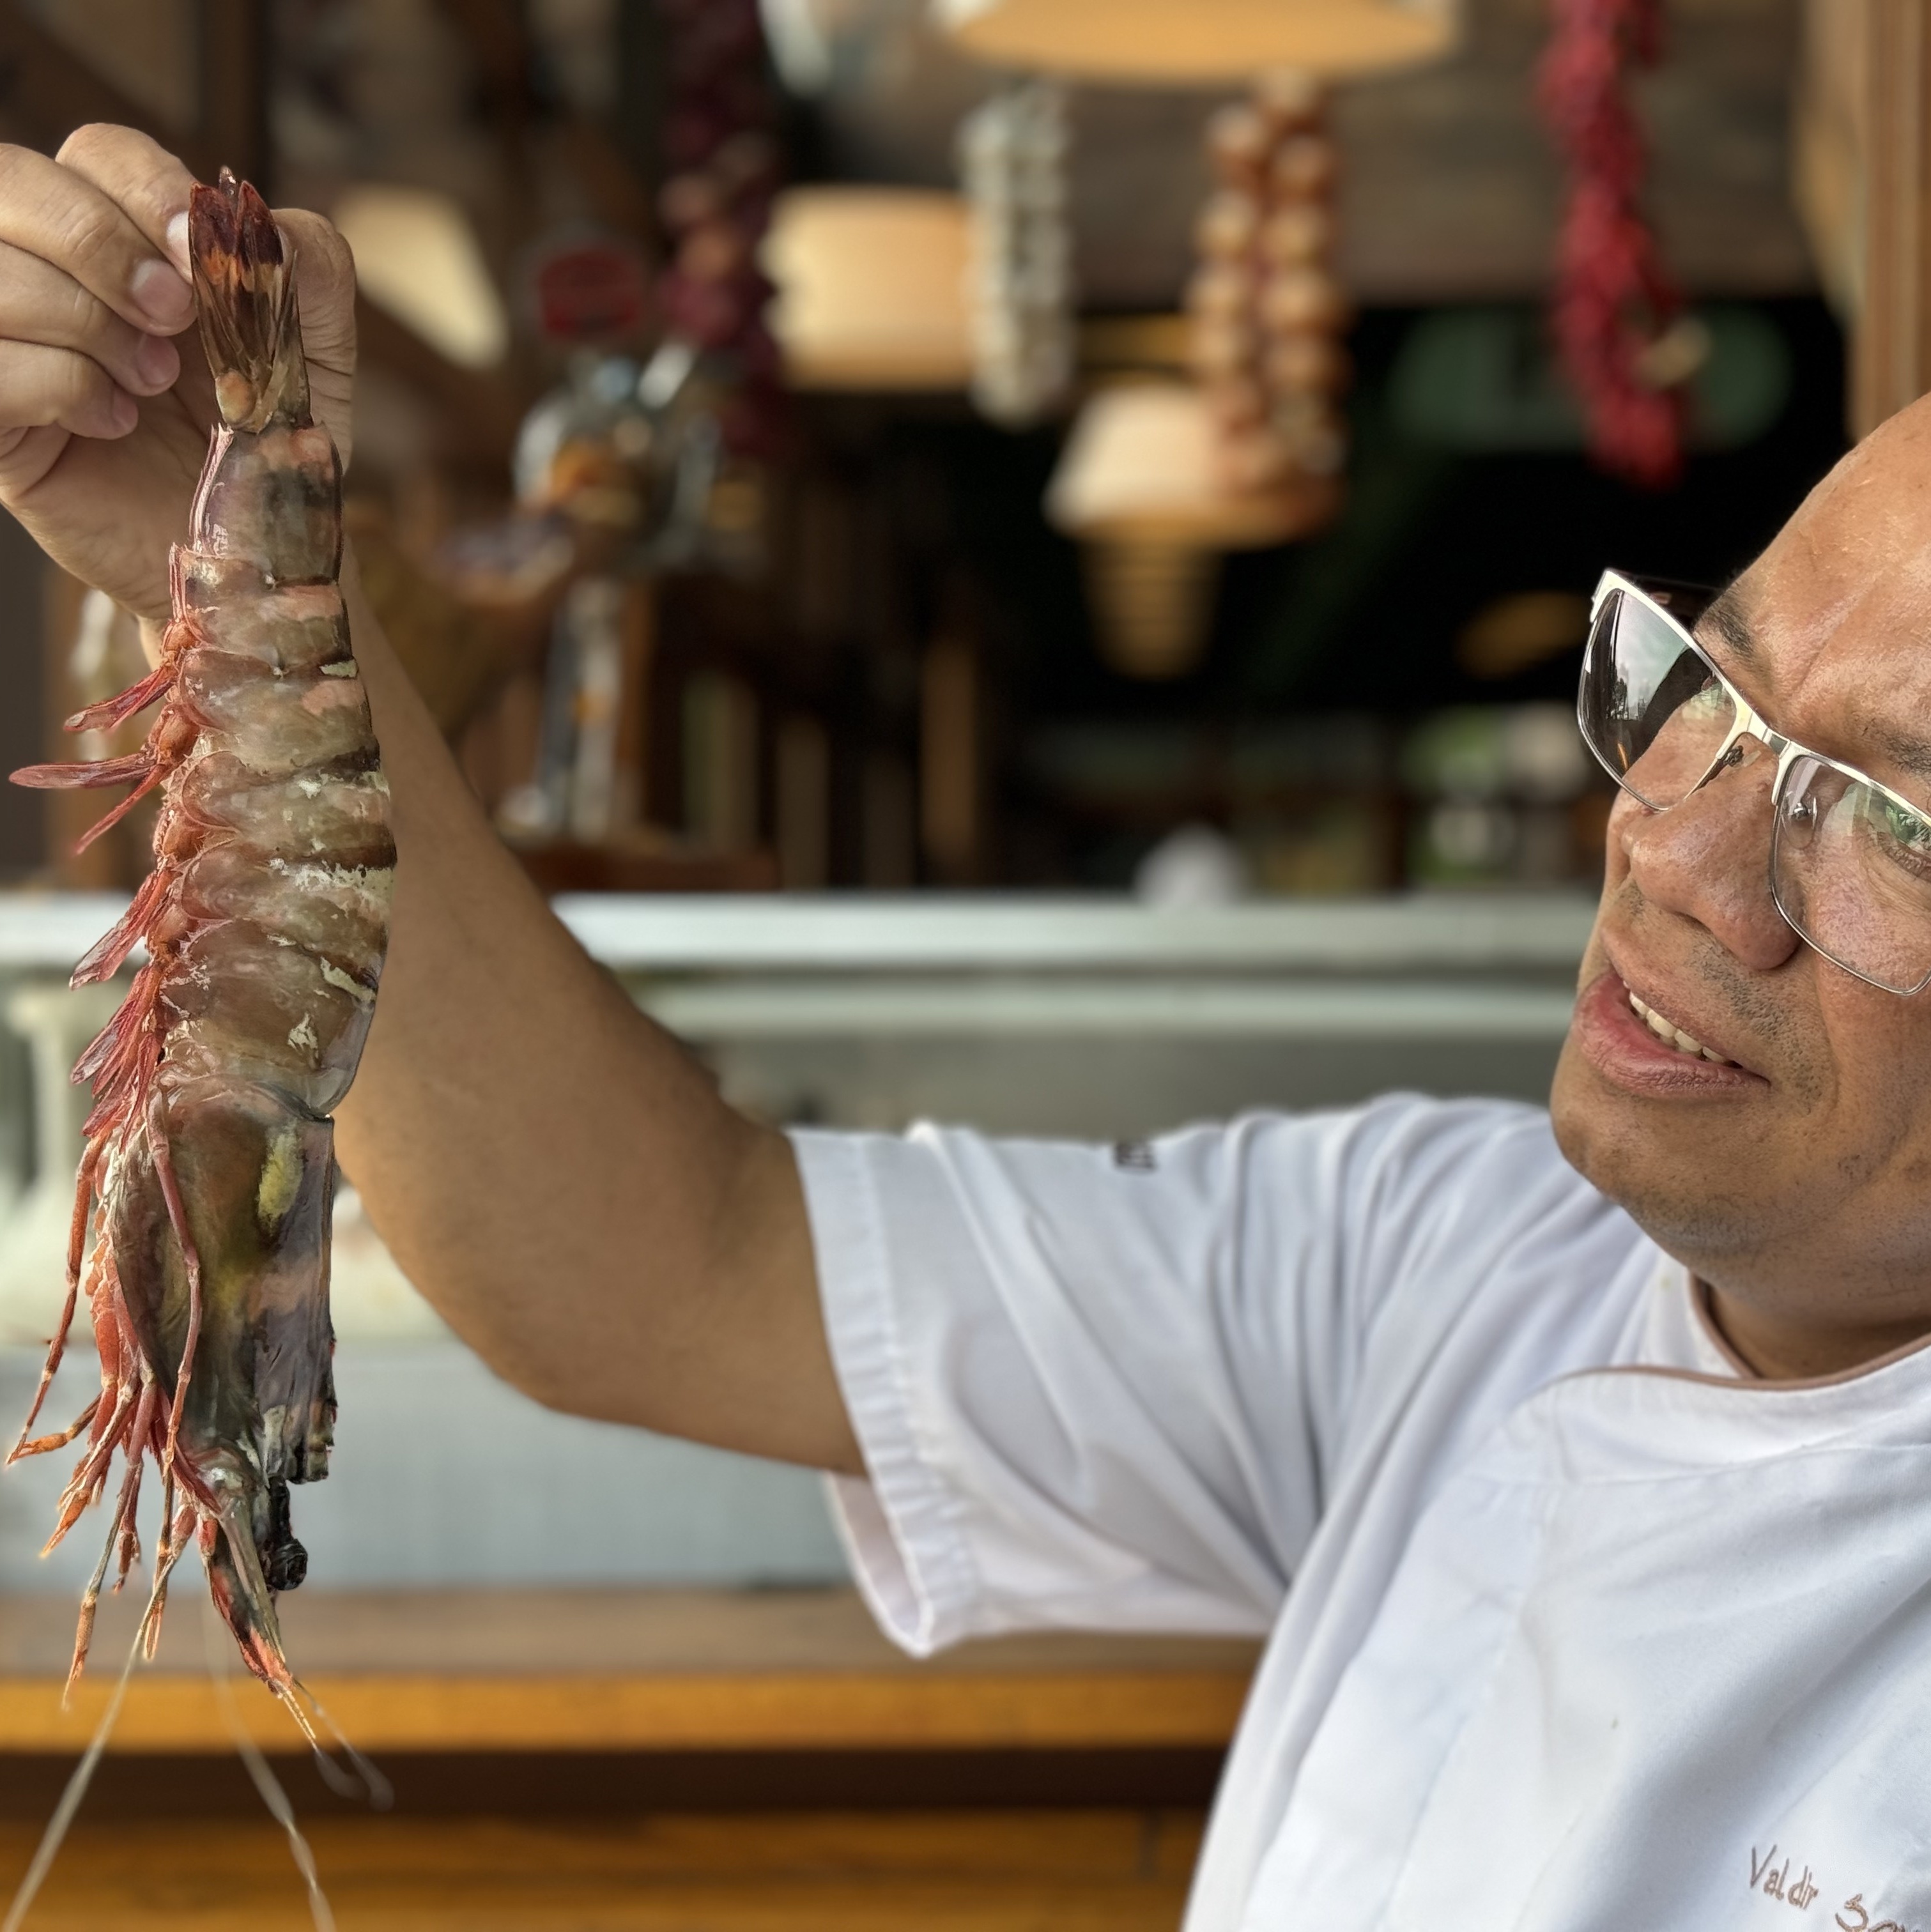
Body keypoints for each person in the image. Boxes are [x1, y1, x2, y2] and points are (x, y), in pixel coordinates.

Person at [1, 126, 1928, 1925]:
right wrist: (264, 583)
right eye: (1704, 692)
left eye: (1900, 829)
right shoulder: (1449, 1259)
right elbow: (676, 1267)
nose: (1687, 858)